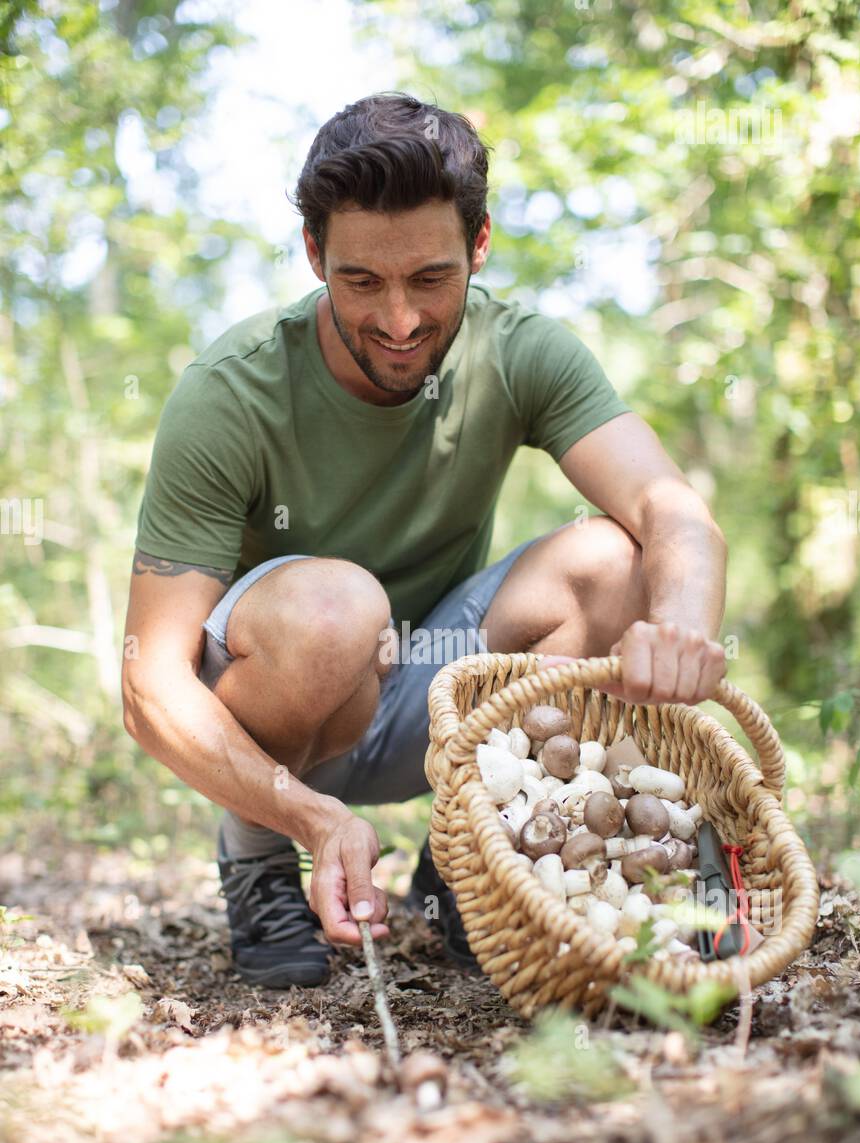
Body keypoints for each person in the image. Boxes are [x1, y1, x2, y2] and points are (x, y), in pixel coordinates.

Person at [122, 92, 727, 989]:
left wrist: (677, 629)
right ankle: (257, 863)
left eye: (431, 279)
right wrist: (307, 816)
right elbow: (149, 681)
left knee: (612, 559)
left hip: (435, 695)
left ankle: (463, 848)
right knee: (336, 609)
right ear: (315, 255)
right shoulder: (231, 391)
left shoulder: (522, 351)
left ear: (478, 248)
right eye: (362, 281)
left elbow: (673, 512)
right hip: (284, 700)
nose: (400, 321)